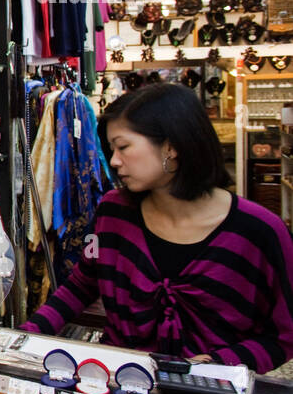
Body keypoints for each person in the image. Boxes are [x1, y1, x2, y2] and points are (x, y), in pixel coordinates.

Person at [23, 82, 293, 372]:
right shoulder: (114, 212)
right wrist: (26, 335)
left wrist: (216, 365)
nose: (113, 161)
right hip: (120, 388)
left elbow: (284, 336)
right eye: (112, 149)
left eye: (123, 147)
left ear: (171, 146)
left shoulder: (259, 232)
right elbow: (82, 285)